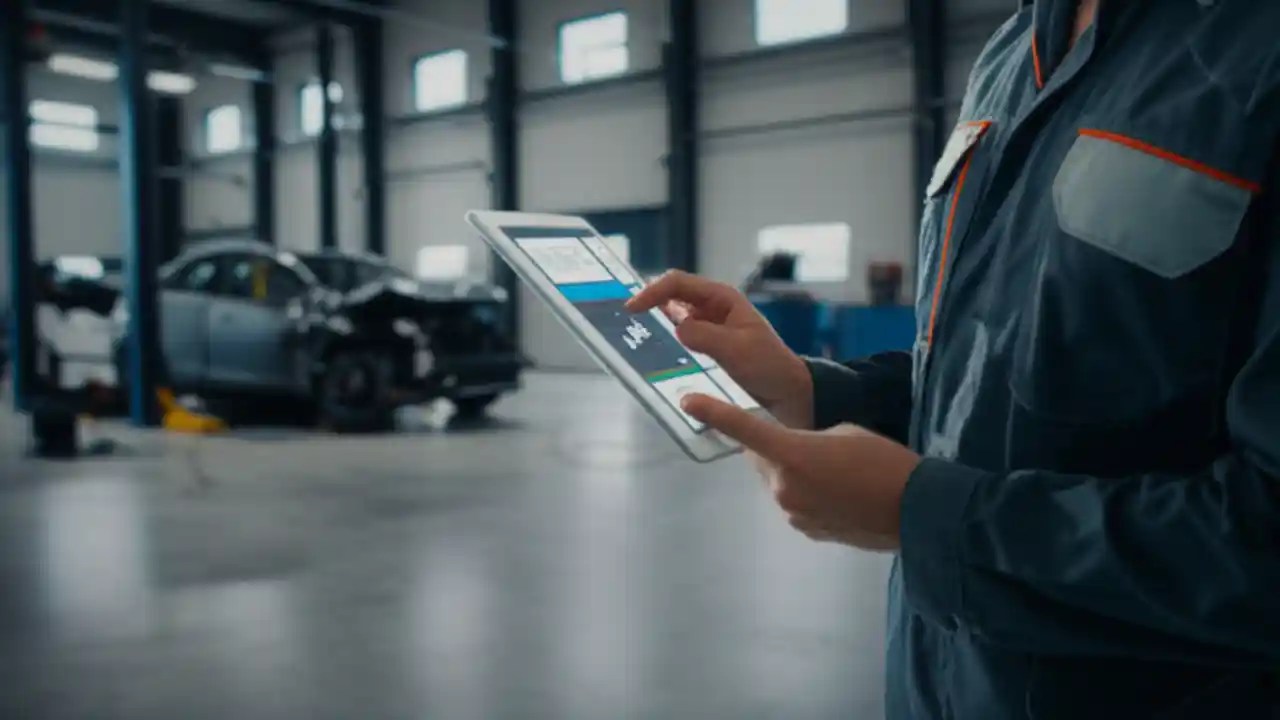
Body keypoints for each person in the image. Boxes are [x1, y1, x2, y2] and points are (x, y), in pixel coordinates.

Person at [627, 0, 1280, 717]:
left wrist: (931, 517)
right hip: (934, 686)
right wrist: (816, 390)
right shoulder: (1012, 53)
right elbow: (997, 370)